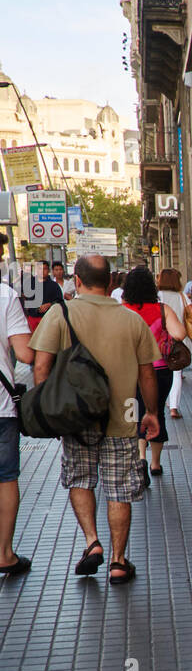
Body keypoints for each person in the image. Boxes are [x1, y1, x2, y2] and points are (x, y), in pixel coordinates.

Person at [31, 255, 161, 585]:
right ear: (110, 283)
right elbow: (148, 375)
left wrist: (49, 411)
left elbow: (41, 367)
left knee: (79, 478)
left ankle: (92, 542)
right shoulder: (132, 320)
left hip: (75, 417)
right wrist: (152, 413)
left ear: (77, 279)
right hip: (124, 416)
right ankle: (119, 562)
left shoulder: (61, 313)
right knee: (119, 490)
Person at [122, 267, 186, 478]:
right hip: (159, 371)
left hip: (129, 371)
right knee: (157, 411)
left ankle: (141, 457)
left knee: (137, 413)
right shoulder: (162, 309)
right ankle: (155, 464)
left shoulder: (122, 310)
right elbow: (179, 334)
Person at [0, 240, 35, 576]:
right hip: (0, 407)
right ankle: (5, 553)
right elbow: (25, 354)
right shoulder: (5, 296)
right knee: (6, 478)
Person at [157, 267, 190, 418]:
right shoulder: (182, 296)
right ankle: (174, 407)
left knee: (160, 371)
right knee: (176, 372)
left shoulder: (158, 296)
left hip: (160, 340)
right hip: (177, 339)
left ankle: (164, 401)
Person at [22, 260, 63, 333]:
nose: (42, 271)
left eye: (45, 269)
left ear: (48, 270)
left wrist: (50, 304)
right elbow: (22, 297)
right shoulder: (29, 283)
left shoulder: (54, 285)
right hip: (32, 318)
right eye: (40, 269)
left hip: (49, 318)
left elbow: (60, 301)